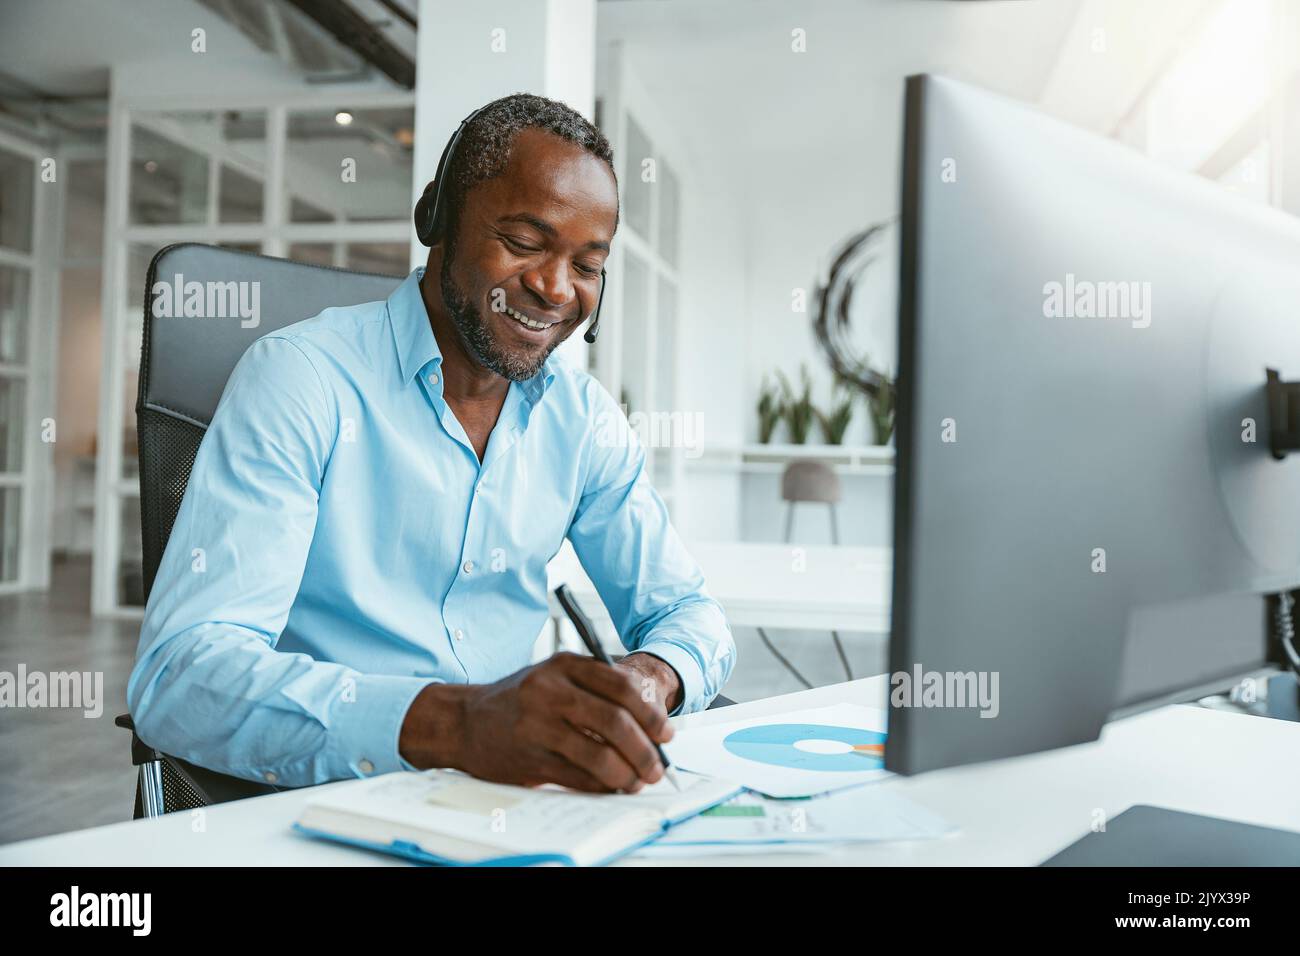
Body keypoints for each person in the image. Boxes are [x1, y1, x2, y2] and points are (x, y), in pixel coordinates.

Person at [128, 92, 735, 795]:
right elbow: (181, 680)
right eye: (524, 242)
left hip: (511, 802)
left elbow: (690, 614)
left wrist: (647, 680)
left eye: (587, 265)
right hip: (325, 800)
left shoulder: (582, 419)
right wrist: (460, 726)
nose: (554, 288)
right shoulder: (301, 379)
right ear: (436, 221)